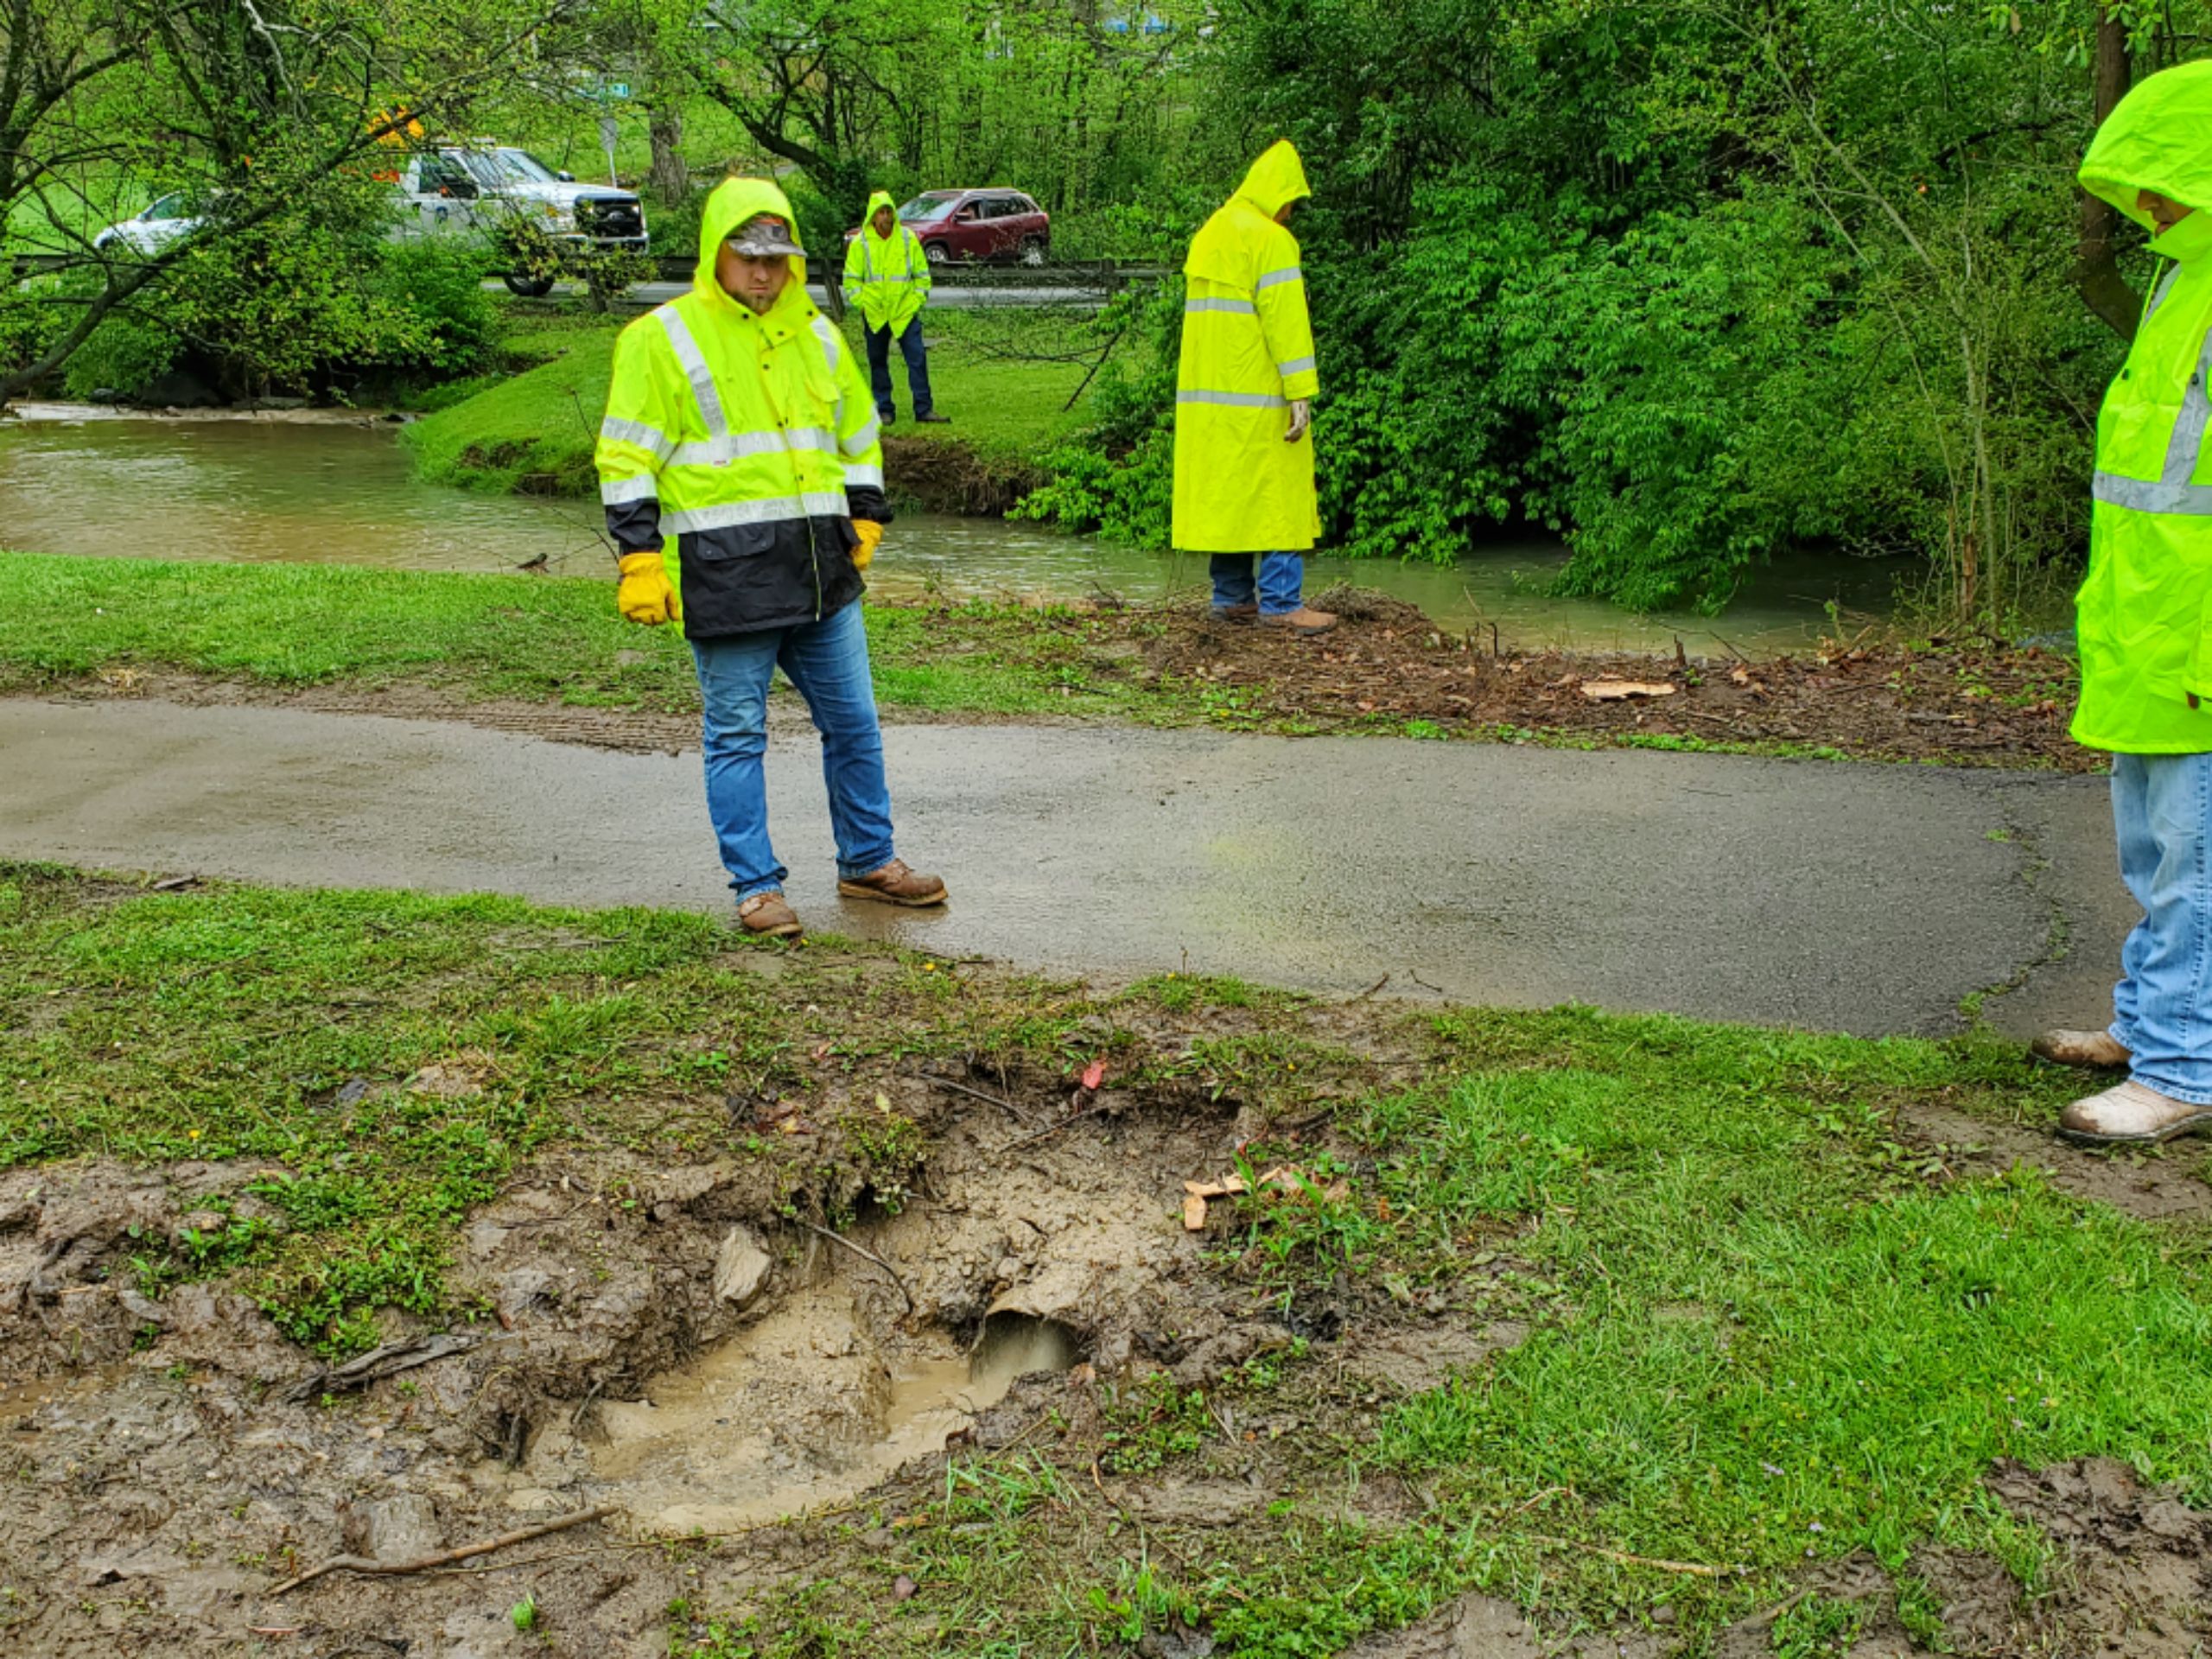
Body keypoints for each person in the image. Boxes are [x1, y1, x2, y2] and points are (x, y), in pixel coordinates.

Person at [594, 176, 947, 939]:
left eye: (777, 258)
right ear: (715, 254)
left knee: (854, 724)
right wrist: (640, 560)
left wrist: (866, 514)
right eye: (747, 256)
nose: (763, 272)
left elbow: (857, 436)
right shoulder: (661, 339)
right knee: (735, 737)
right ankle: (757, 889)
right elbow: (626, 459)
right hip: (726, 575)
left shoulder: (817, 335)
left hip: (822, 569)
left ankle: (868, 861)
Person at [2038, 60, 2212, 1145]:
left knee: (2196, 859)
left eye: (2156, 175)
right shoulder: (2177, 285)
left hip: (2195, 634)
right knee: (2154, 853)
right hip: (2146, 624)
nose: (2140, 201)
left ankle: (2185, 1067)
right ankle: (2152, 1024)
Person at [1173, 139, 1335, 636]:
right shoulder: (1270, 240)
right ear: (1277, 195)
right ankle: (1283, 602)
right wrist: (1301, 391)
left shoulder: (1211, 233)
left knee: (1231, 497)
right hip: (1262, 394)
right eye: (1291, 202)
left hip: (1211, 403)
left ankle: (1231, 598)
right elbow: (1287, 324)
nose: (1290, 213)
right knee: (1278, 496)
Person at [843, 190, 947, 427]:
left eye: (889, 211)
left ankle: (924, 408)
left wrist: (917, 300)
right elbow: (851, 280)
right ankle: (884, 409)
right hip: (875, 312)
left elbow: (922, 275)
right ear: (873, 216)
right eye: (881, 212)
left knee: (917, 359)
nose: (886, 216)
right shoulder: (861, 244)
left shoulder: (908, 238)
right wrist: (862, 304)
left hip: (904, 311)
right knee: (878, 361)